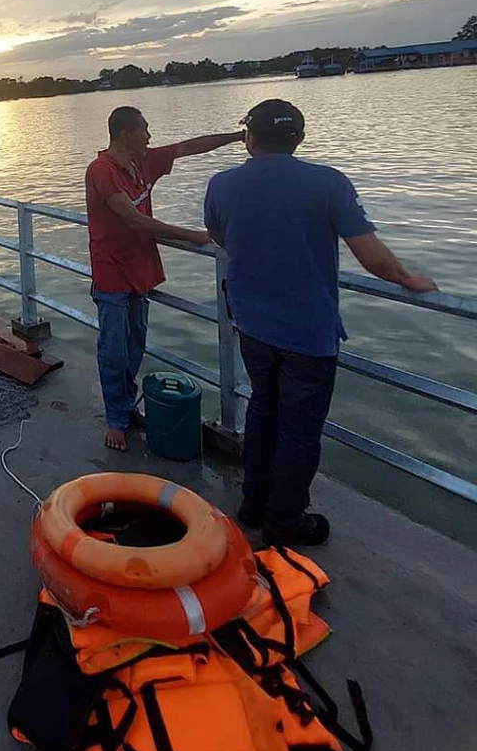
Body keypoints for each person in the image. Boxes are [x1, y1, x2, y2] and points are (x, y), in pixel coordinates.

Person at [204, 99, 438, 547]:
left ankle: (254, 502)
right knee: (299, 428)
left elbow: (219, 236)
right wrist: (409, 279)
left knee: (263, 410)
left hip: (251, 323)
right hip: (308, 332)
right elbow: (369, 255)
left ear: (250, 137)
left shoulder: (221, 184)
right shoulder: (328, 183)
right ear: (300, 138)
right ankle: (285, 521)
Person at [85, 106, 244, 453]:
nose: (150, 135)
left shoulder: (142, 162)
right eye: (144, 129)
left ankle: (126, 405)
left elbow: (190, 146)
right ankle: (115, 418)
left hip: (139, 269)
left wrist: (236, 137)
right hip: (111, 270)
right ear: (126, 134)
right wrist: (194, 235)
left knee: (135, 341)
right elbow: (133, 221)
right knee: (113, 348)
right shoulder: (102, 170)